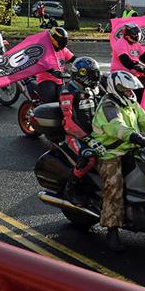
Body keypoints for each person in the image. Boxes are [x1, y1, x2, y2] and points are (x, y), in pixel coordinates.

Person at [91, 70, 145, 252]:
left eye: (130, 89)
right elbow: (116, 127)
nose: (129, 92)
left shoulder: (130, 103)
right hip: (110, 153)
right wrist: (136, 137)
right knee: (114, 185)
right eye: (125, 89)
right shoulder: (108, 105)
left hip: (131, 148)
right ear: (115, 88)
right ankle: (112, 231)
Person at [60, 57, 105, 204]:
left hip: (95, 131)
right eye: (93, 75)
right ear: (82, 74)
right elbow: (68, 123)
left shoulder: (93, 89)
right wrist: (88, 140)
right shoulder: (68, 91)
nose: (96, 79)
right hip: (75, 135)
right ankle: (70, 189)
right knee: (89, 157)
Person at [35, 27, 74, 103]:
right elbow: (43, 63)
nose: (60, 49)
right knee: (51, 98)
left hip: (60, 80)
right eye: (59, 46)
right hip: (46, 80)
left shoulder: (63, 50)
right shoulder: (44, 50)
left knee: (66, 98)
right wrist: (53, 71)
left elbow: (73, 59)